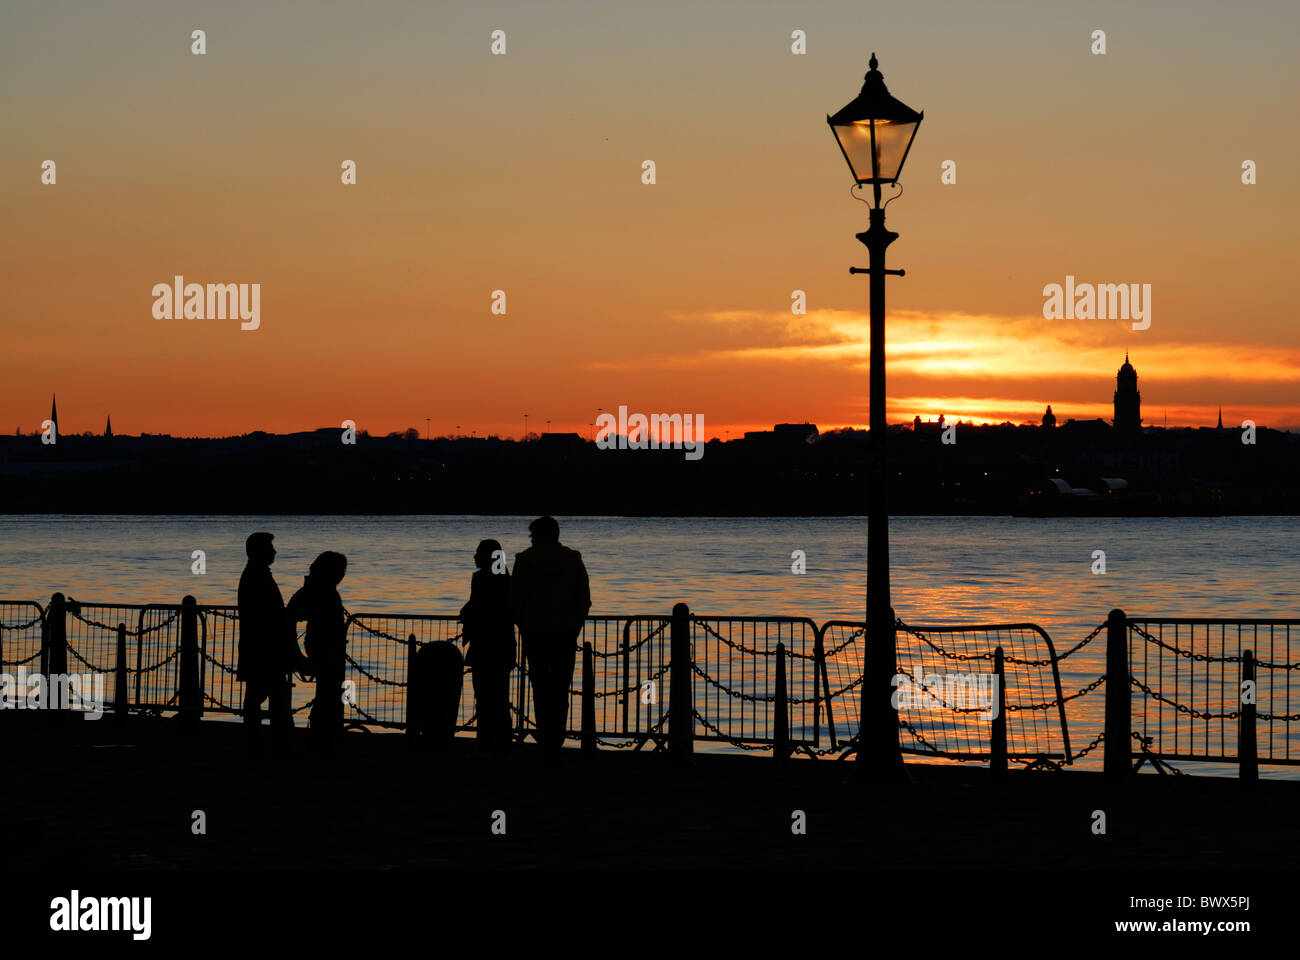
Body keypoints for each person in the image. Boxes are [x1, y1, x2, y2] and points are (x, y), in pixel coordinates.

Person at [509, 517, 590, 763]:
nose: (531, 539)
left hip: (535, 633)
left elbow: (516, 599)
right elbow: (583, 598)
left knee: (540, 687)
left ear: (539, 535)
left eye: (533, 535)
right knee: (560, 688)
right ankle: (557, 738)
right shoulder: (573, 559)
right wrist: (575, 625)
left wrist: (523, 625)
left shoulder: (524, 560)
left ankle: (545, 736)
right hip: (565, 632)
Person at [237, 532, 308, 751]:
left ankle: (259, 741)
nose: (274, 552)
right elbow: (268, 616)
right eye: (270, 547)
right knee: (274, 699)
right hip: (265, 650)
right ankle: (277, 743)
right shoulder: (257, 577)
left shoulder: (254, 574)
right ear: (259, 551)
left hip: (258, 648)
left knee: (258, 697)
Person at [286, 551, 348, 751]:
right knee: (329, 695)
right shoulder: (319, 592)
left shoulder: (316, 590)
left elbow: (291, 615)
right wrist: (297, 657)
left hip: (325, 649)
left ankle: (324, 735)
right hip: (325, 650)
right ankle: (324, 737)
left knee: (329, 694)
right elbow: (290, 618)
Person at [459, 538, 515, 753]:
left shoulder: (482, 579)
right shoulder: (506, 581)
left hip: (484, 646)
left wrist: (468, 615)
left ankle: (486, 740)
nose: (474, 556)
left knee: (484, 695)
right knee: (499, 697)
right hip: (503, 646)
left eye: (478, 552)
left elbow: (476, 606)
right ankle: (501, 742)